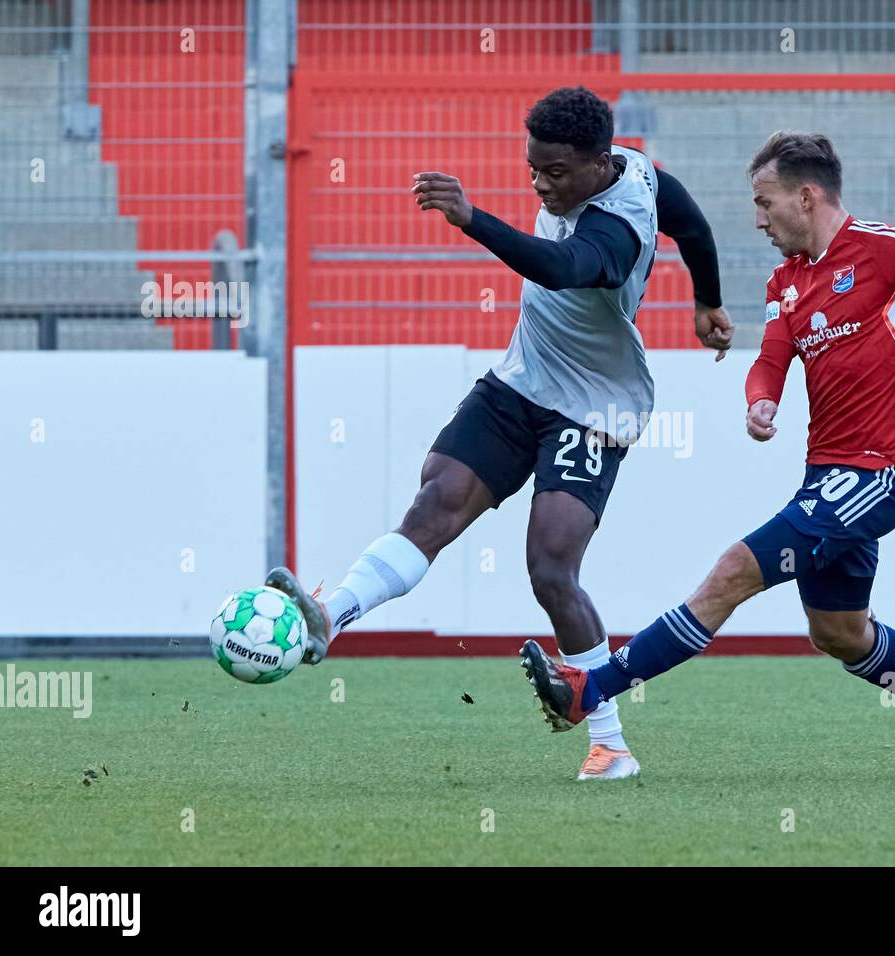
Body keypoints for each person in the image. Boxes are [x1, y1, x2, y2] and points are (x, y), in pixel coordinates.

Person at [519, 130, 895, 775]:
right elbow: (771, 360)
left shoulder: (891, 252)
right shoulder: (787, 281)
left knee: (731, 573)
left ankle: (591, 689)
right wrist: (762, 401)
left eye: (764, 202)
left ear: (806, 197)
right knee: (838, 632)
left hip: (879, 472)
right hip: (828, 476)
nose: (758, 220)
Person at [266, 86, 732, 780]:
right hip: (521, 381)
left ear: (599, 164)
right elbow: (691, 221)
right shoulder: (635, 167)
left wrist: (471, 218)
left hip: (593, 405)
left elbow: (561, 267)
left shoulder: (619, 227)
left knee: (550, 567)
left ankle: (610, 744)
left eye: (556, 172)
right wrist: (709, 301)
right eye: (532, 168)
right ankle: (329, 617)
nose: (542, 184)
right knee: (435, 500)